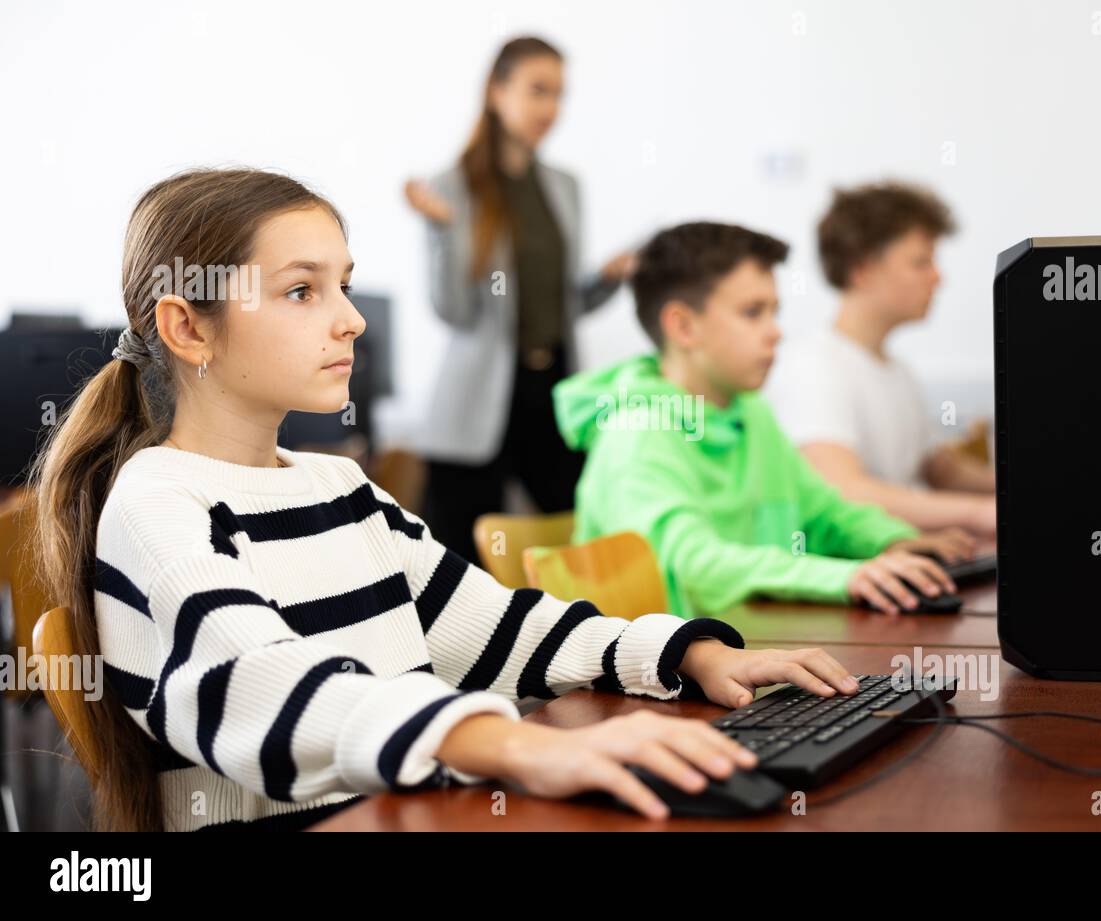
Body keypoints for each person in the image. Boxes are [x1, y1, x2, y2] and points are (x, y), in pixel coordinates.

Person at [30, 169, 864, 831]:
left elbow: (501, 628)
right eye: (302, 291)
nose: (351, 320)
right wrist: (508, 746)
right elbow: (266, 688)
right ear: (188, 328)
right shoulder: (157, 503)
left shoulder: (340, 487)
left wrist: (684, 653)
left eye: (345, 285)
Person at [553, 221, 967, 620]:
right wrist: (843, 576)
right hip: (665, 665)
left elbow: (824, 513)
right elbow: (693, 566)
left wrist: (894, 541)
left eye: (774, 312)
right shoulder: (637, 434)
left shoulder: (750, 413)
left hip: (756, 645)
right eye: (753, 313)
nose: (776, 332)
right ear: (683, 326)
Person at [404, 36, 633, 564]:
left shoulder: (564, 186)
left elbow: (563, 306)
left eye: (559, 95)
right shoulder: (452, 187)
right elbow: (454, 312)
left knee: (582, 544)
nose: (550, 108)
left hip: (551, 385)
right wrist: (440, 233)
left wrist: (605, 279)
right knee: (457, 564)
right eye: (538, 90)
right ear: (496, 91)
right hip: (480, 400)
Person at [765, 182, 996, 538]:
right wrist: (978, 513)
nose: (938, 277)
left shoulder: (897, 370)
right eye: (921, 262)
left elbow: (941, 470)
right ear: (862, 269)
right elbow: (844, 490)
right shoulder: (810, 366)